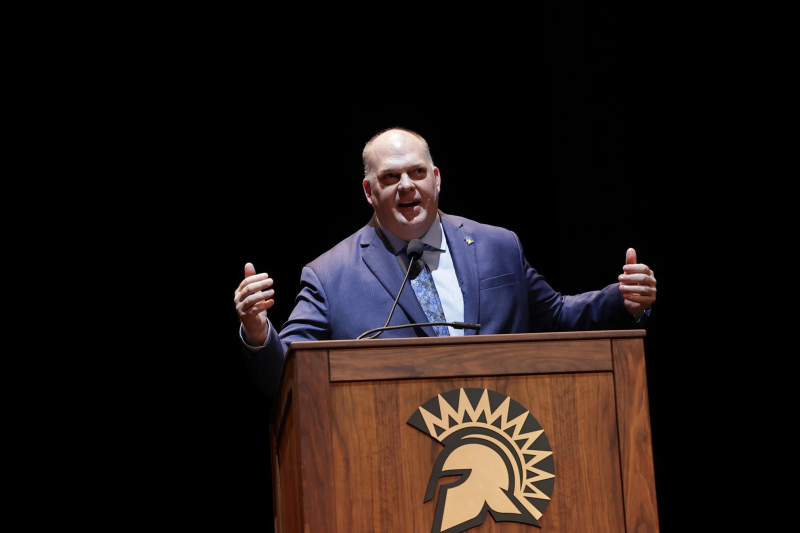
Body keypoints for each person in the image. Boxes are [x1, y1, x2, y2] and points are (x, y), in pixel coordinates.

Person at [233, 127, 657, 399]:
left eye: (417, 173)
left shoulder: (497, 246)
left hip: (505, 431)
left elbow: (556, 316)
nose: (405, 186)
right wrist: (257, 331)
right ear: (368, 190)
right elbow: (285, 375)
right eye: (389, 177)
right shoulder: (329, 275)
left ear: (436, 178)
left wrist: (623, 300)